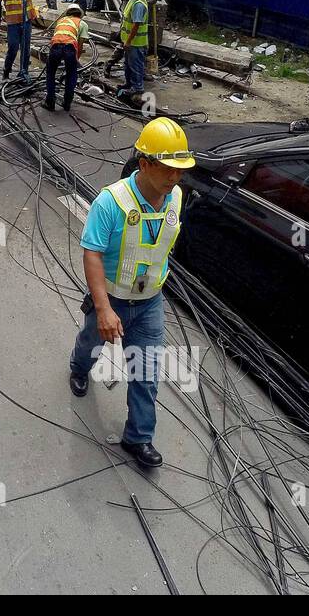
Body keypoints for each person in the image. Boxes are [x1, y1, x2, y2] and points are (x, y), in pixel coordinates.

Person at [68, 117, 197, 468]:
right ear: (145, 164)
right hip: (111, 300)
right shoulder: (111, 202)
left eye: (180, 171)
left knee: (146, 371)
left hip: (150, 302)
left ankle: (138, 438)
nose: (175, 178)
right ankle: (78, 369)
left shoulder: (176, 198)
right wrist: (103, 308)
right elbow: (92, 252)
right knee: (91, 343)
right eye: (169, 169)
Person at [43, 3, 88, 113]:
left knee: (51, 74)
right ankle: (67, 103)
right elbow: (80, 44)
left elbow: (57, 36)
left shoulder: (61, 20)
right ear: (79, 14)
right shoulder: (82, 23)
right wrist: (76, 58)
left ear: (68, 12)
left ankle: (50, 102)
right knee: (71, 74)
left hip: (55, 46)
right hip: (70, 48)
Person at [0, 0, 36, 81]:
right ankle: (6, 71)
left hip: (26, 22)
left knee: (26, 48)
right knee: (13, 47)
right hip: (13, 24)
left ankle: (24, 71)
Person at [117, 0, 150, 104]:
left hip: (136, 43)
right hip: (131, 42)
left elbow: (136, 24)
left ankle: (138, 90)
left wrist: (128, 41)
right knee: (128, 65)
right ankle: (129, 84)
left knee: (136, 66)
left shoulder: (138, 4)